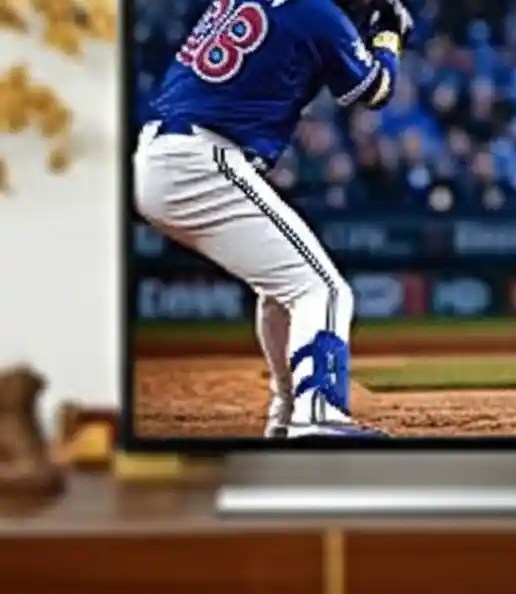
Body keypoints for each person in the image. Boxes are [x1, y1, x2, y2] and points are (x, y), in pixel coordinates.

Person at [132, 0, 415, 437]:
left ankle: (287, 415)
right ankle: (318, 414)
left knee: (282, 288)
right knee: (324, 290)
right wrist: (388, 38)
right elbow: (375, 90)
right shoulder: (320, 12)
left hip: (163, 154)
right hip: (200, 160)